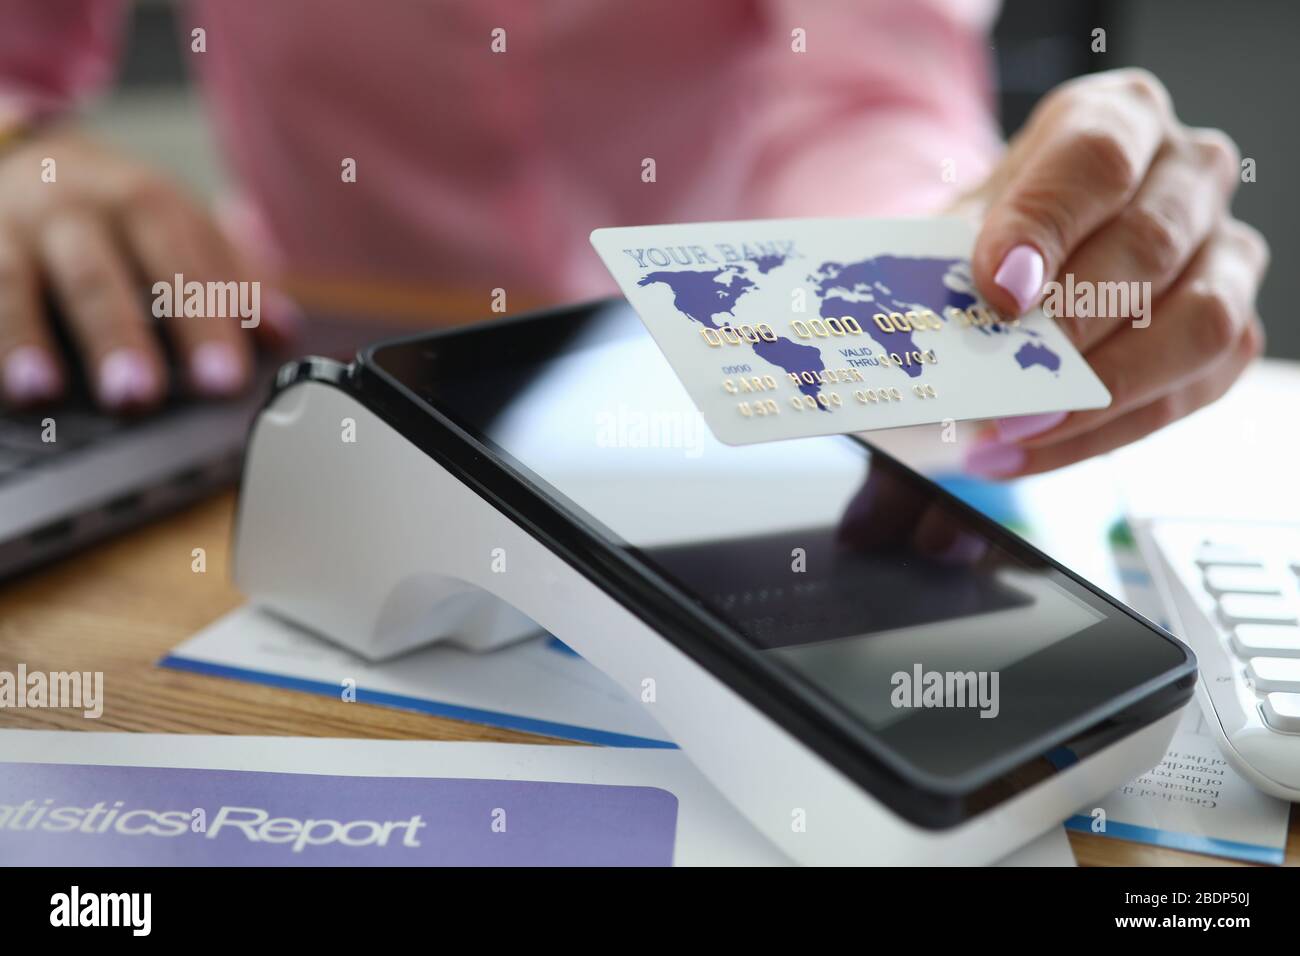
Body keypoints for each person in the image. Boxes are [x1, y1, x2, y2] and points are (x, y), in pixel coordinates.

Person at [0, 0, 1268, 480]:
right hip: (280, 404)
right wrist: (19, 156)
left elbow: (863, 87)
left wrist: (933, 277)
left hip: (700, 438)